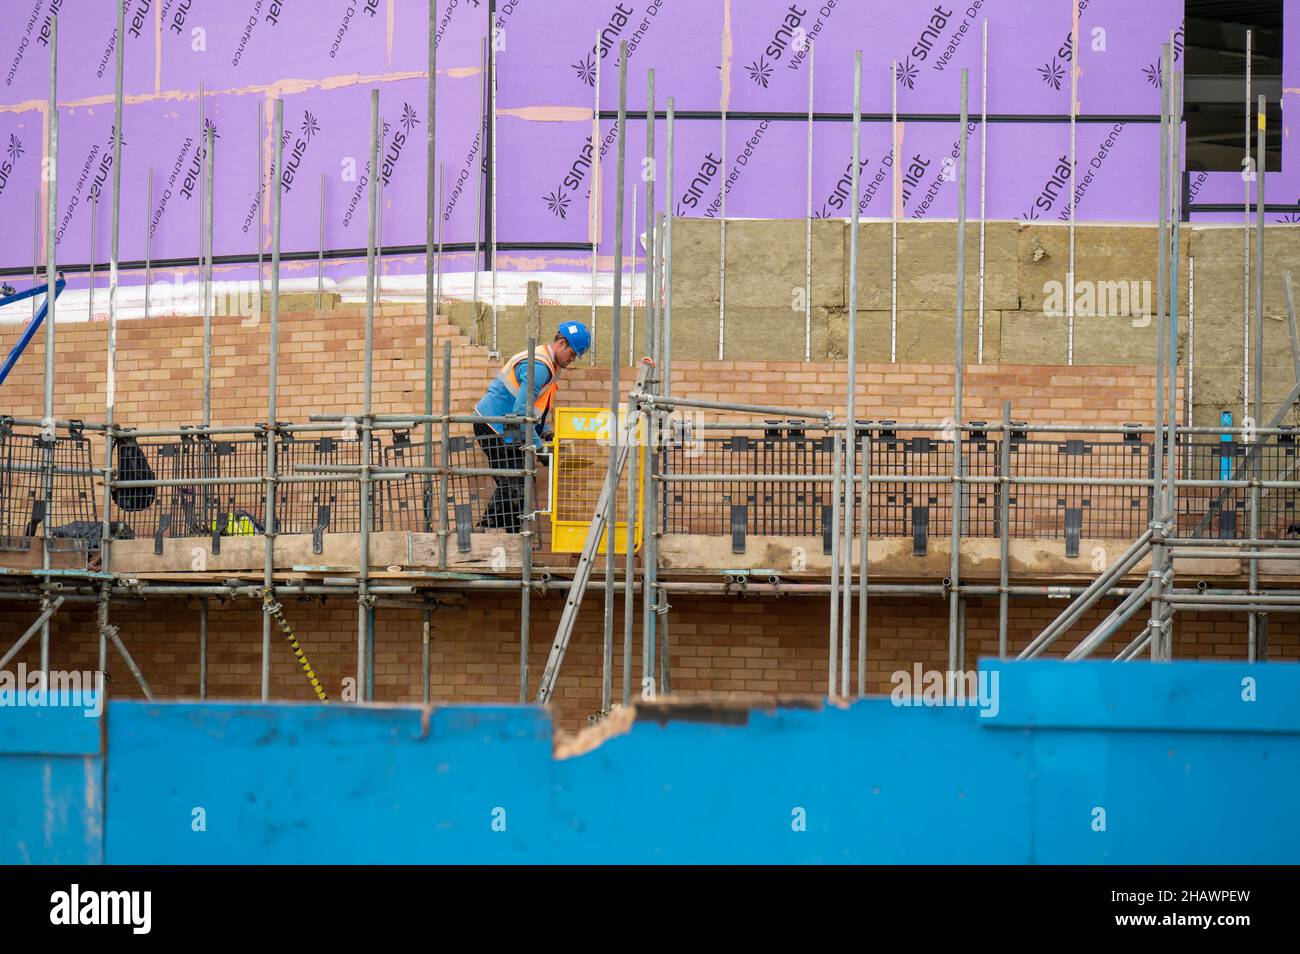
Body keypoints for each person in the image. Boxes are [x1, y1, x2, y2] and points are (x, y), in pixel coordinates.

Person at [472, 321, 590, 531]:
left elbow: (534, 407)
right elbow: (522, 412)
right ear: (562, 343)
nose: (572, 360)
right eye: (572, 354)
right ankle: (494, 531)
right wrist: (539, 448)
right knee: (516, 483)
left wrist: (545, 432)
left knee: (516, 483)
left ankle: (497, 531)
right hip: (493, 425)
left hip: (505, 427)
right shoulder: (540, 366)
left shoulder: (549, 365)